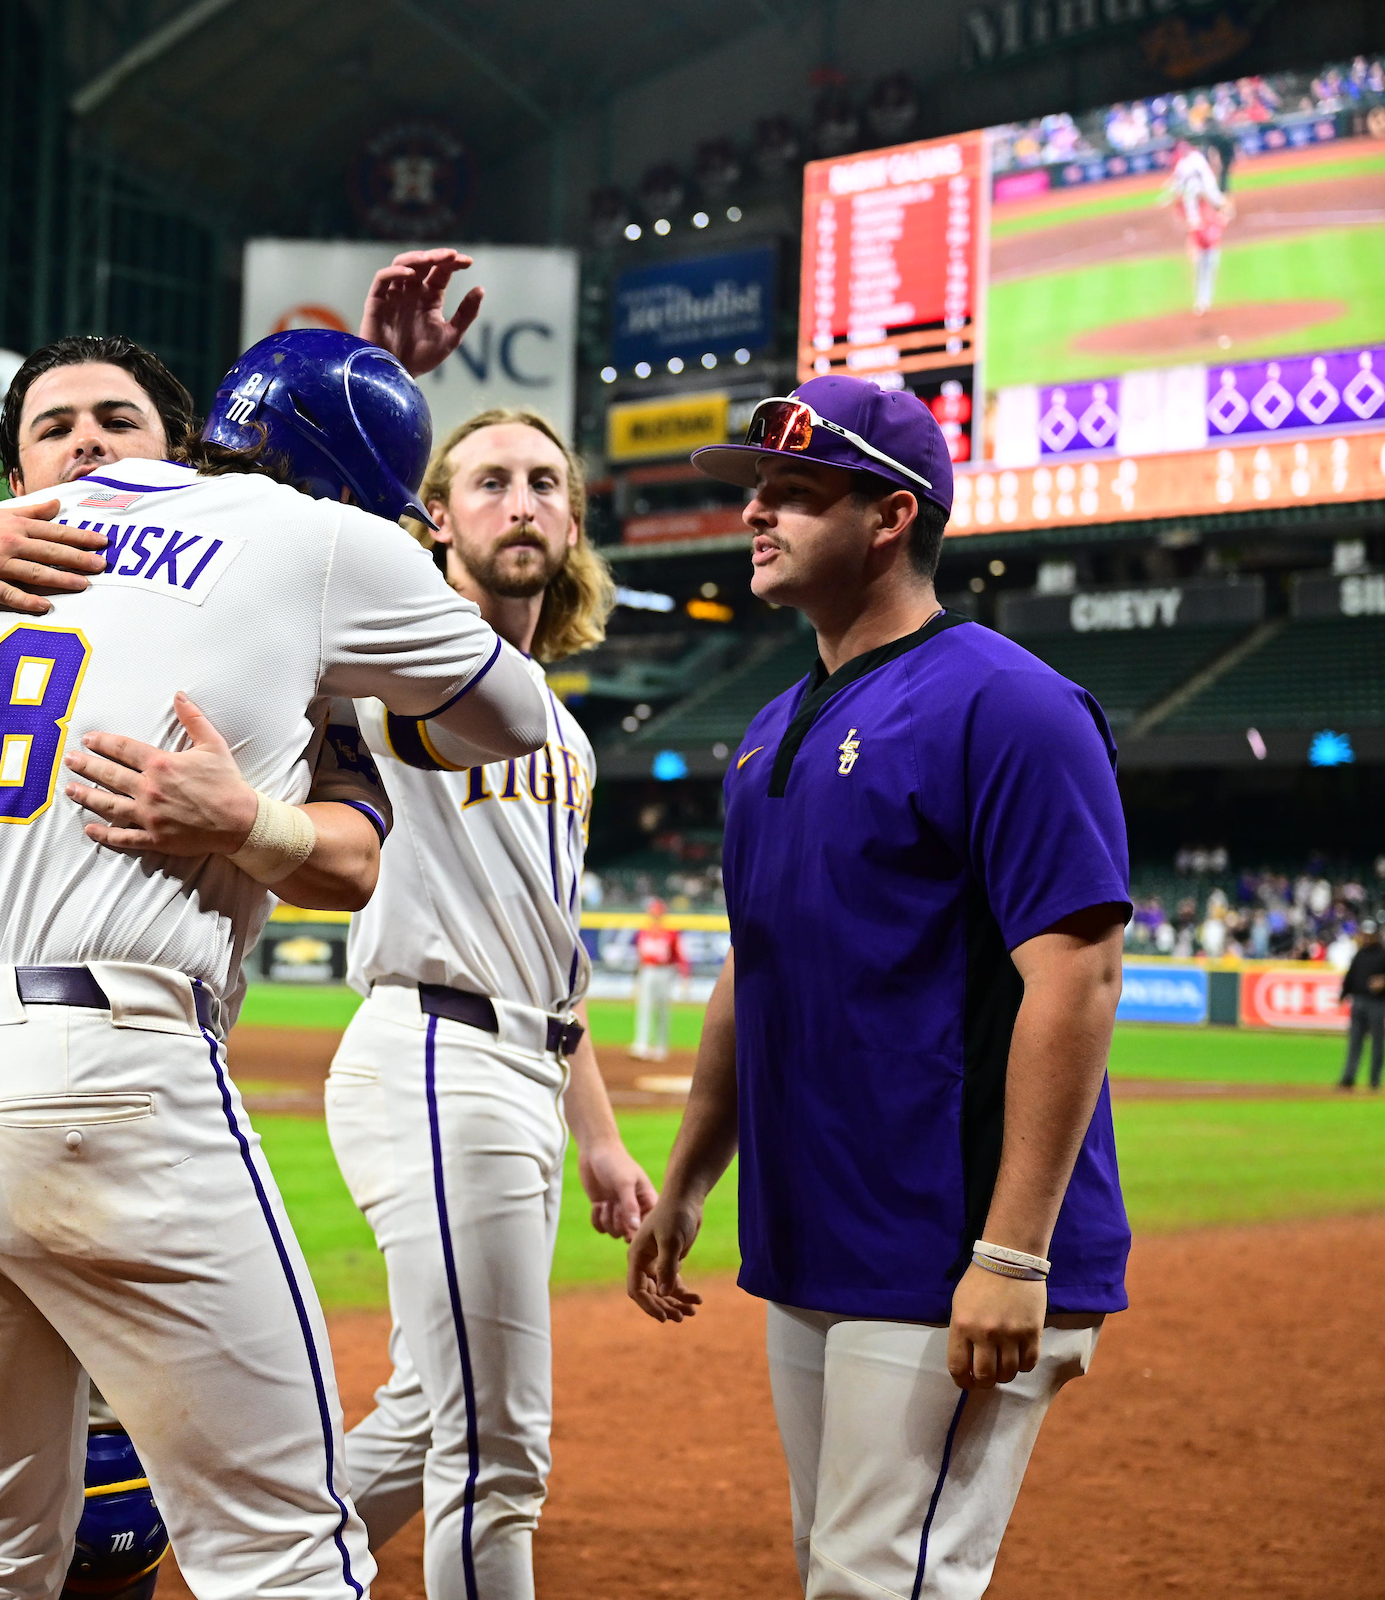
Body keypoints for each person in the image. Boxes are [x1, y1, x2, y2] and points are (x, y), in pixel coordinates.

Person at [0, 326, 553, 1600]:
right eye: (51, 423)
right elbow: (516, 716)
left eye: (111, 417)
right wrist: (357, 657)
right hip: (107, 1071)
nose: (83, 443)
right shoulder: (301, 539)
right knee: (283, 1544)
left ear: (186, 436)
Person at [629, 375, 1132, 1600]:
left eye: (794, 494)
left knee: (881, 1580)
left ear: (891, 515)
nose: (757, 515)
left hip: (950, 1237)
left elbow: (1079, 969)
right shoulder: (764, 732)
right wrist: (692, 1176)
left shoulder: (1007, 702)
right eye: (758, 494)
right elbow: (757, 966)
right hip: (818, 1234)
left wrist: (1012, 1253)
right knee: (848, 1568)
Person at [317, 397, 654, 1600]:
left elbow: (548, 946)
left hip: (521, 1062)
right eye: (491, 481)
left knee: (425, 1412)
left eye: (546, 483)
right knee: (497, 1453)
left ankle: (244, 1570)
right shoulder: (389, 665)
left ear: (573, 520)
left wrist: (603, 1137)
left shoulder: (562, 730)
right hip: (432, 1057)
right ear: (439, 520)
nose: (523, 501)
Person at [1164, 137, 1234, 316]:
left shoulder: (1197, 162)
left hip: (1205, 233)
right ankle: (1202, 301)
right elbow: (1179, 186)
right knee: (1202, 268)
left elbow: (1209, 187)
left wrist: (1221, 211)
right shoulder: (1183, 169)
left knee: (1207, 267)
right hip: (1200, 228)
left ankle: (1204, 301)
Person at [1338, 926, 1385, 1091]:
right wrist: (1343, 994)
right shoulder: (1360, 954)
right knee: (1355, 1042)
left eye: (1369, 935)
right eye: (1364, 935)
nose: (1366, 938)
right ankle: (1348, 1078)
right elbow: (1351, 976)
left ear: (1376, 936)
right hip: (1358, 1001)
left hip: (1377, 1003)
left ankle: (1374, 1080)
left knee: (1377, 1043)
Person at [629, 900, 688, 1063]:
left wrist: (685, 977)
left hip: (665, 971)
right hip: (647, 970)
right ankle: (641, 1045)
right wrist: (636, 979)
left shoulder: (671, 933)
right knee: (644, 1007)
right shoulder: (643, 932)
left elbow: (680, 956)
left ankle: (661, 1047)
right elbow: (639, 958)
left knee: (662, 1009)